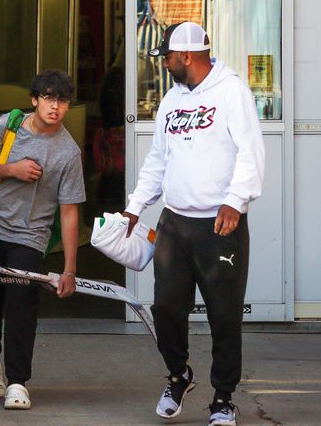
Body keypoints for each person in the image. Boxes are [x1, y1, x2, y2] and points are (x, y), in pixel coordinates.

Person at [122, 22, 264, 426]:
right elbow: (158, 159)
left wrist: (235, 201)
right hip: (175, 222)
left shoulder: (232, 92)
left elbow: (251, 151)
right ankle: (179, 375)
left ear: (186, 56)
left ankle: (223, 398)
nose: (164, 63)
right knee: (166, 308)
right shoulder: (172, 99)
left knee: (224, 315)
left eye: (167, 57)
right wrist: (136, 206)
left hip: (220, 226)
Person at [0, 69, 85, 410]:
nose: (55, 106)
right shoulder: (8, 126)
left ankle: (18, 382)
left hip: (30, 236)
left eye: (62, 100)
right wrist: (11, 169)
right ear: (34, 100)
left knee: (21, 305)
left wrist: (69, 270)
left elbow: (69, 212)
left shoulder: (68, 152)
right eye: (48, 98)